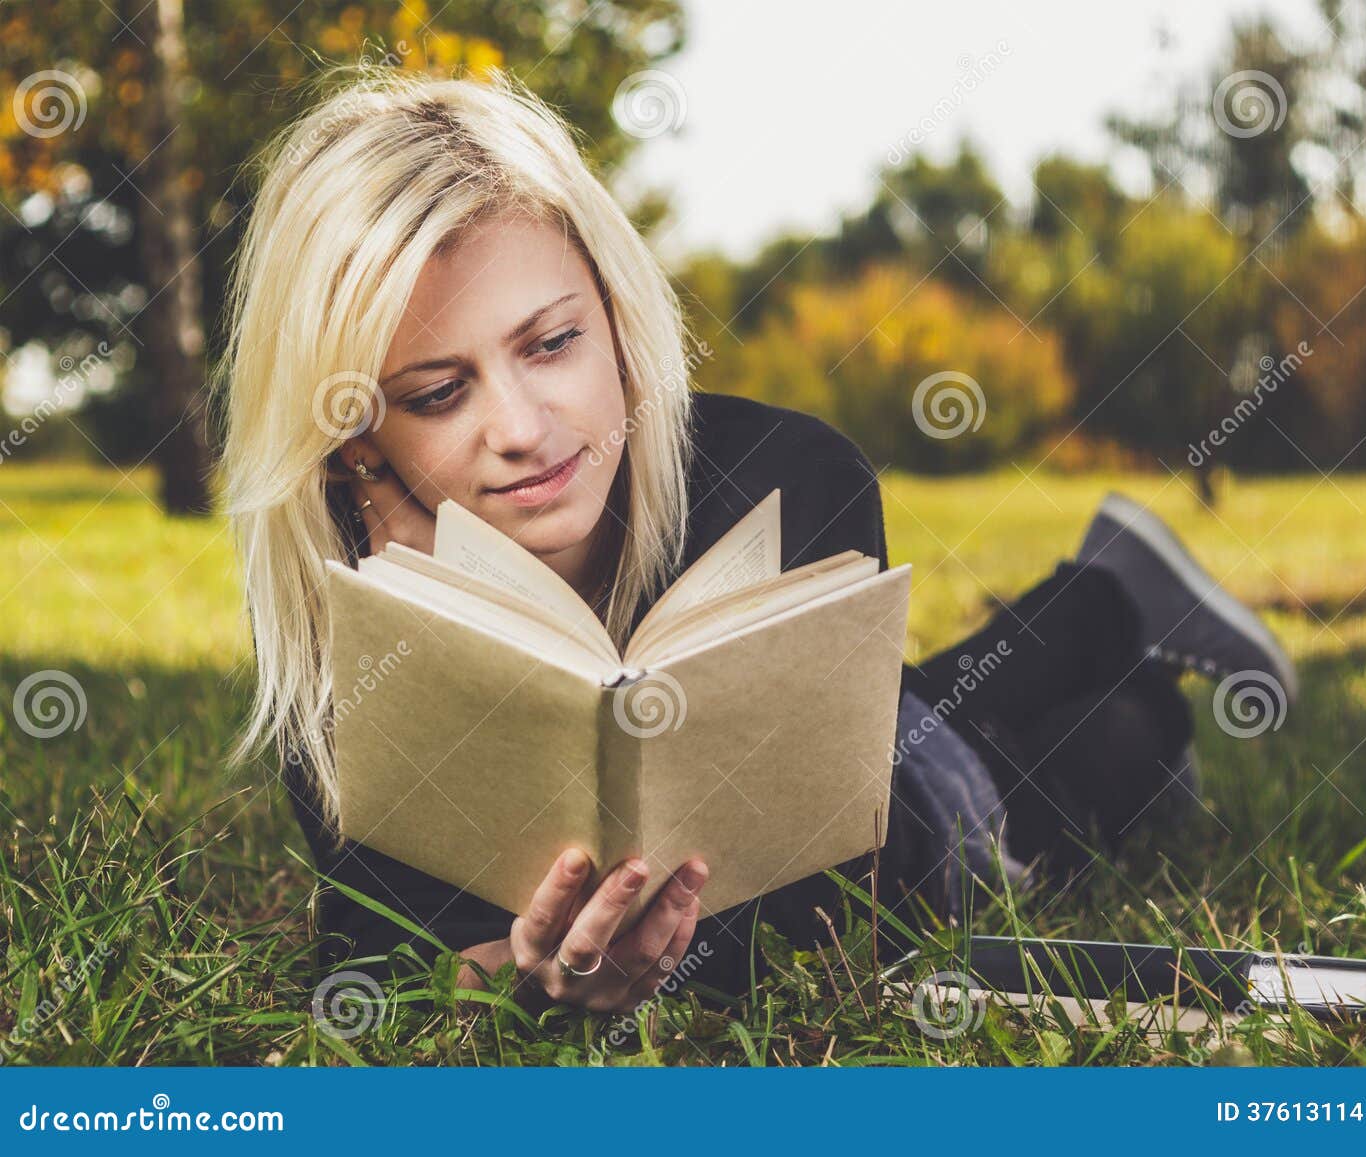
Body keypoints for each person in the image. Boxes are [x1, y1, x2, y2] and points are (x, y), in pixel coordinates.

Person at [214, 69, 1297, 1015]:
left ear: (615, 312)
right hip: (899, 746)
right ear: (356, 439)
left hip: (922, 812)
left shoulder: (784, 474)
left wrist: (533, 961)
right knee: (1064, 718)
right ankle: (1123, 628)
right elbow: (379, 951)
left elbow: (779, 909)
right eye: (440, 392)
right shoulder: (345, 647)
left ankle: (1107, 599)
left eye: (551, 343)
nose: (521, 428)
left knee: (1033, 738)